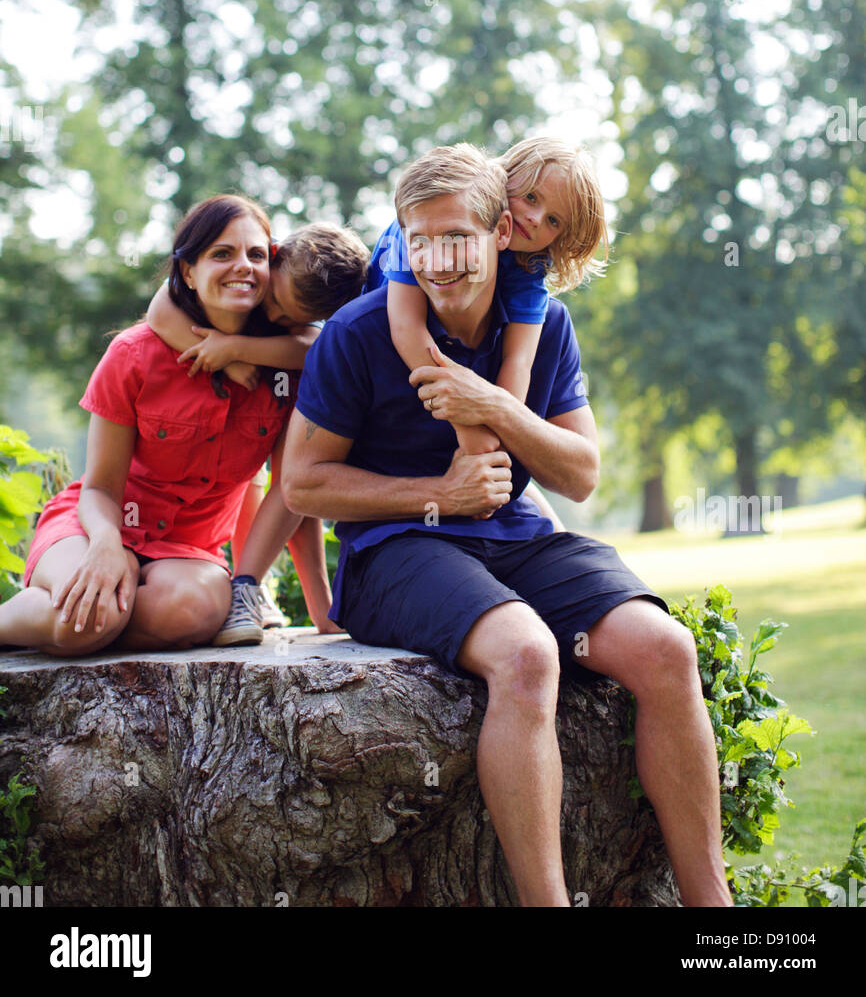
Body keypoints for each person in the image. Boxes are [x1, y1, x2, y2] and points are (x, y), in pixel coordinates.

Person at [281, 143, 733, 908]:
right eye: (419, 239)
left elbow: (580, 473)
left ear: (499, 233)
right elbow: (302, 482)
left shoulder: (542, 323)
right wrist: (439, 493)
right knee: (526, 656)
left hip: (517, 533)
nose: (436, 258)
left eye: (456, 236)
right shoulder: (358, 332)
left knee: (665, 649)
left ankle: (714, 913)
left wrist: (496, 408)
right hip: (397, 550)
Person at [0, 195, 335, 655]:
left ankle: (94, 618)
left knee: (186, 611)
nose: (243, 266)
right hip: (95, 524)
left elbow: (293, 489)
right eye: (222, 253)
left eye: (256, 255)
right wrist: (105, 545)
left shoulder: (287, 374)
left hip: (187, 555)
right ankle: (55, 618)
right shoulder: (135, 355)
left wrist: (322, 607)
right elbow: (99, 488)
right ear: (189, 272)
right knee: (87, 616)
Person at [145, 221, 370, 644]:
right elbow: (159, 309)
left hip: (275, 405)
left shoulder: (305, 350)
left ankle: (256, 588)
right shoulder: (242, 275)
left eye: (290, 319)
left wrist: (236, 349)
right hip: (210, 444)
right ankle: (246, 586)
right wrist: (225, 361)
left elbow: (311, 348)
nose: (272, 317)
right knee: (259, 483)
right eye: (276, 302)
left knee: (294, 482)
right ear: (273, 253)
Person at [367, 136, 608, 456]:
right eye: (531, 196)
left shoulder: (529, 266)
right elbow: (406, 327)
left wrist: (493, 438)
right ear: (508, 176)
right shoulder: (427, 221)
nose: (536, 218)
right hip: (380, 339)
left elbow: (518, 361)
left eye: (553, 220)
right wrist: (468, 430)